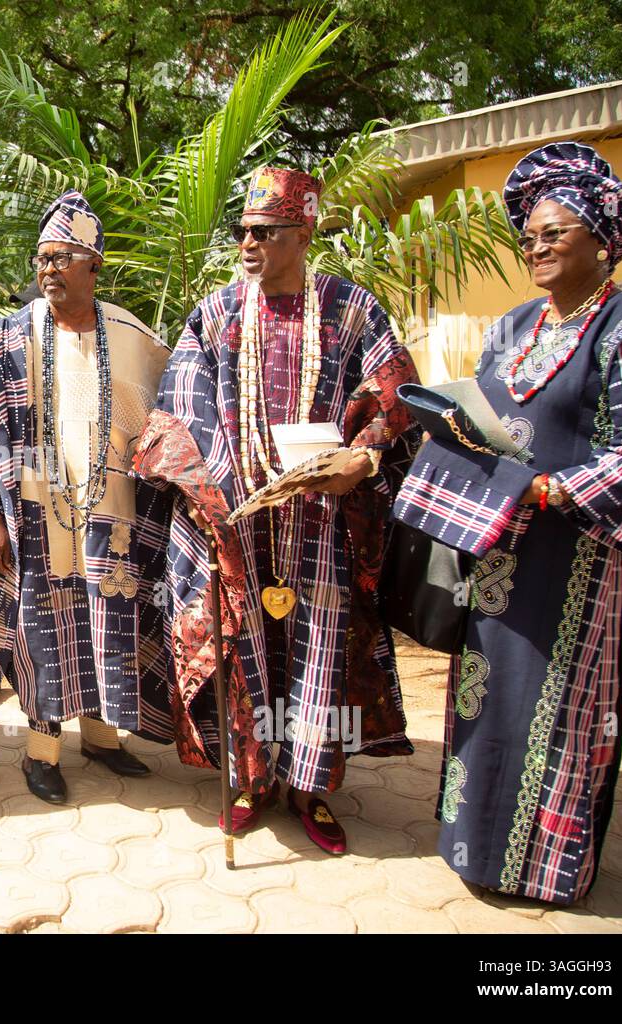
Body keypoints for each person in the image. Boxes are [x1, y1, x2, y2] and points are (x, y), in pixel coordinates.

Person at [394, 142, 622, 904]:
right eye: (531, 235)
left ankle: (546, 867)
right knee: (487, 693)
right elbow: (484, 413)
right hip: (498, 549)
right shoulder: (514, 325)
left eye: (554, 233)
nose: (535, 245)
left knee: (562, 708)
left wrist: (557, 491)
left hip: (577, 561)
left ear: (603, 237)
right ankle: (474, 847)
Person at [134, 167, 418, 854]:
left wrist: (364, 455)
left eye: (265, 233)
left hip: (321, 523)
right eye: (243, 233)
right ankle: (251, 778)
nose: (248, 245)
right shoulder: (219, 312)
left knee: (316, 650)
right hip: (240, 519)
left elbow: (398, 392)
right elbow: (181, 403)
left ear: (304, 232)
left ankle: (310, 785)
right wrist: (216, 485)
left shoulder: (351, 310)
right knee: (245, 649)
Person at [0, 191, 173, 804]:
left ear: (93, 265)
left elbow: (170, 419)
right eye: (42, 258)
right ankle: (41, 750)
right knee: (41, 629)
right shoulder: (4, 340)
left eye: (62, 258)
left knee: (109, 622)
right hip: (33, 513)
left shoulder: (134, 336)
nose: (48, 269)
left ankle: (101, 738)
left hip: (113, 512)